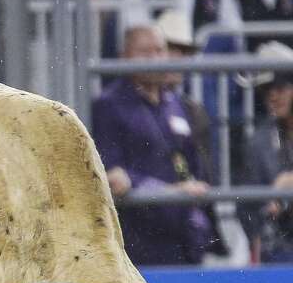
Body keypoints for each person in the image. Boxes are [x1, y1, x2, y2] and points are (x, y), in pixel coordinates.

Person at [92, 24, 214, 265]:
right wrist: (171, 192)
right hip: (139, 237)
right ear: (124, 58)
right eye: (145, 52)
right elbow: (114, 175)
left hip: (183, 235)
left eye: (160, 50)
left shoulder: (175, 102)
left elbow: (192, 161)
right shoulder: (109, 104)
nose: (155, 58)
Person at [241, 41, 293, 262]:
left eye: (280, 87)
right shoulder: (258, 142)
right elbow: (247, 208)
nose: (273, 96)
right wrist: (269, 205)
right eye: (266, 90)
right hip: (280, 247)